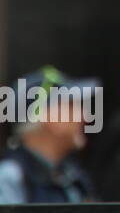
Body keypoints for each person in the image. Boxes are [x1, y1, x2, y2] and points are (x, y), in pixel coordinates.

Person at [0, 66, 100, 204]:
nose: (85, 116)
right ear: (51, 120)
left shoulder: (72, 176)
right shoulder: (11, 178)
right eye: (71, 106)